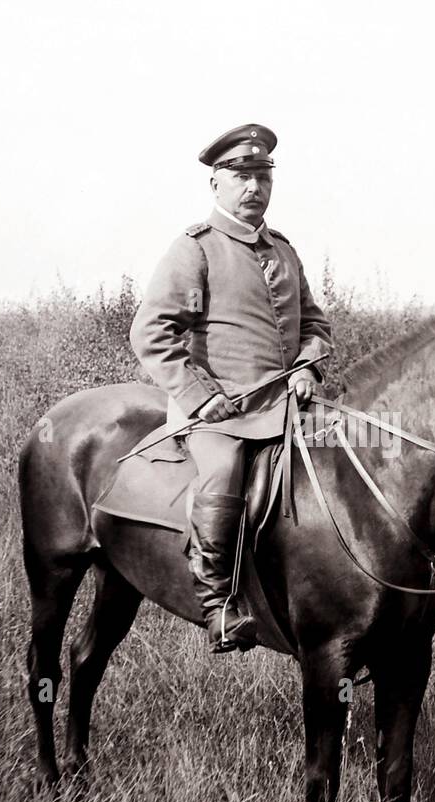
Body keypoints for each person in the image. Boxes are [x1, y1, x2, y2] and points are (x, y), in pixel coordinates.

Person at [130, 123, 332, 653]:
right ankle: (219, 605)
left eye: (262, 176)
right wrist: (201, 396)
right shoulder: (193, 249)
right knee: (223, 473)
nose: (253, 188)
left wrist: (309, 367)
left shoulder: (284, 251)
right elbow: (150, 332)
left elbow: (315, 324)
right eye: (241, 176)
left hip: (289, 405)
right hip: (218, 412)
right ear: (215, 184)